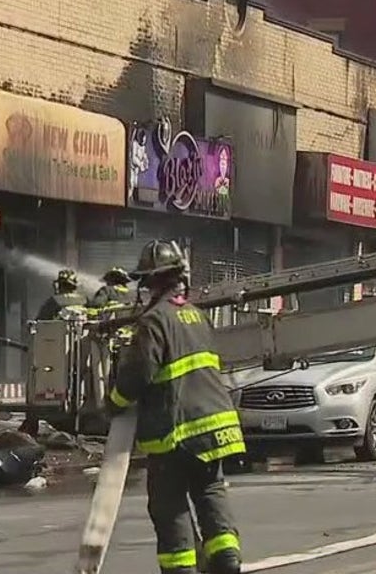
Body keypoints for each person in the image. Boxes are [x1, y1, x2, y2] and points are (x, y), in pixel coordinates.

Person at [107, 240, 245, 574]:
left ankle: (181, 569)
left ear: (151, 282)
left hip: (178, 431)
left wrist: (114, 403)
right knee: (210, 492)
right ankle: (227, 562)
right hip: (218, 427)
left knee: (169, 506)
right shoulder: (198, 316)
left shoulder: (154, 320)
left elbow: (140, 373)